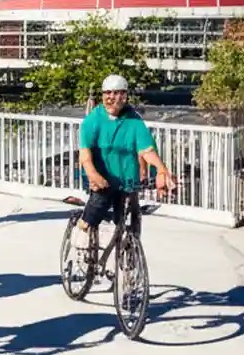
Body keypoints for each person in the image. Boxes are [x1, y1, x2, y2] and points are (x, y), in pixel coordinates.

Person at [71, 75, 174, 252]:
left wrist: (161, 170)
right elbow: (85, 155)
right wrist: (93, 174)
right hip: (100, 174)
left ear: (125, 96)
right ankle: (83, 227)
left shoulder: (134, 121)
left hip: (127, 176)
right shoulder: (92, 121)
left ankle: (129, 253)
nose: (112, 98)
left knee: (130, 213)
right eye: (108, 93)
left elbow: (146, 150)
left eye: (117, 93)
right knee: (100, 200)